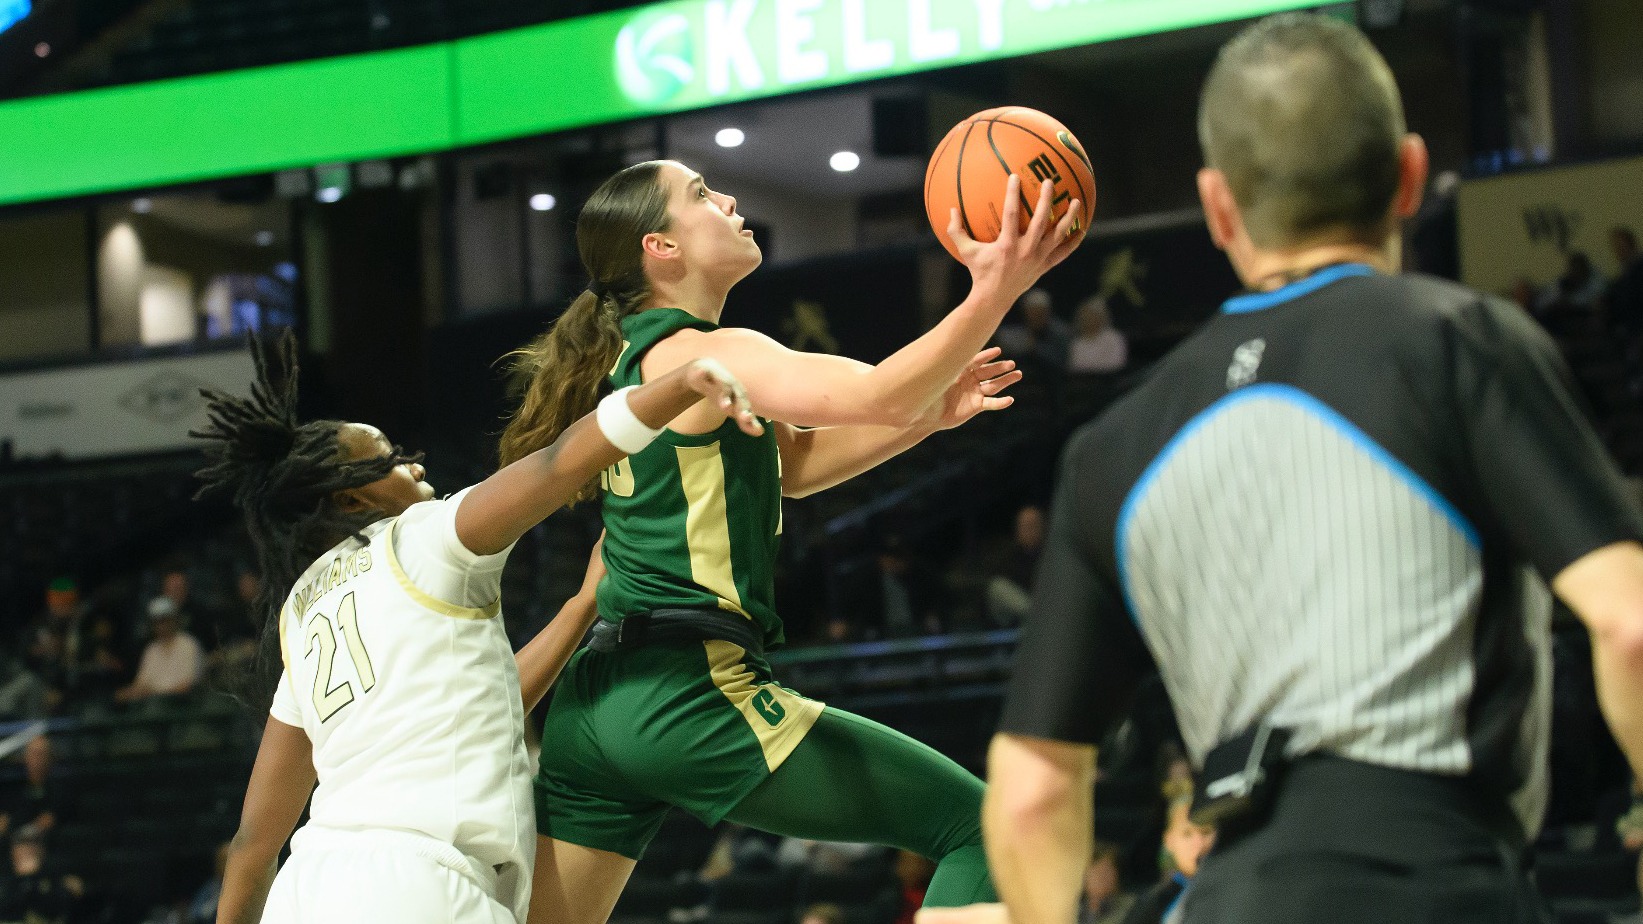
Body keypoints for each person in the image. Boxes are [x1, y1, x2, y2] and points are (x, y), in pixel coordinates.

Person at [924, 13, 1643, 924]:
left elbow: (1029, 791)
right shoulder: (1461, 344)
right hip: (1443, 883)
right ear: (1410, 175)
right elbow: (1629, 627)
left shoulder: (1116, 441)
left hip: (1228, 894)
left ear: (1217, 207)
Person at [499, 161, 1082, 924]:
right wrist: (995, 288)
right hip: (689, 689)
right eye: (702, 195)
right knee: (985, 832)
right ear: (660, 249)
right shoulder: (701, 353)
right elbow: (876, 392)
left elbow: (795, 467)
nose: (730, 200)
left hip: (596, 706)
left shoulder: (641, 361)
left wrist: (924, 420)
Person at [202, 334, 761, 924]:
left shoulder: (302, 613)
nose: (413, 463)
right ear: (349, 498)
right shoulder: (424, 535)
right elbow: (557, 463)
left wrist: (580, 607)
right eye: (389, 457)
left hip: (306, 890)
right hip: (421, 887)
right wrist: (678, 385)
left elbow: (254, 845)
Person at [1117, 799, 1212, 924]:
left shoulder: (1238, 886)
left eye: (1206, 832)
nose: (1198, 843)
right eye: (1187, 834)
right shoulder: (1151, 906)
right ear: (1169, 841)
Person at [114, 598, 204, 704]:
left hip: (184, 708)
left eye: (164, 620)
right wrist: (126, 693)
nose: (161, 625)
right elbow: (140, 685)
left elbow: (187, 686)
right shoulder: (151, 649)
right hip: (153, 709)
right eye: (156, 621)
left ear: (175, 620)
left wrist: (152, 693)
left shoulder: (189, 645)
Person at [1066, 297, 1127, 375]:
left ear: (1100, 317)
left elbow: (1117, 364)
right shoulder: (1076, 343)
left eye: (1090, 316)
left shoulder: (1114, 338)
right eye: (1084, 316)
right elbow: (1074, 367)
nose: (1086, 319)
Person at [1077, 844, 1132, 924]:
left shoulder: (1129, 908)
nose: (1102, 878)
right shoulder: (1069, 907)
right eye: (1098, 873)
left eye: (1108, 872)